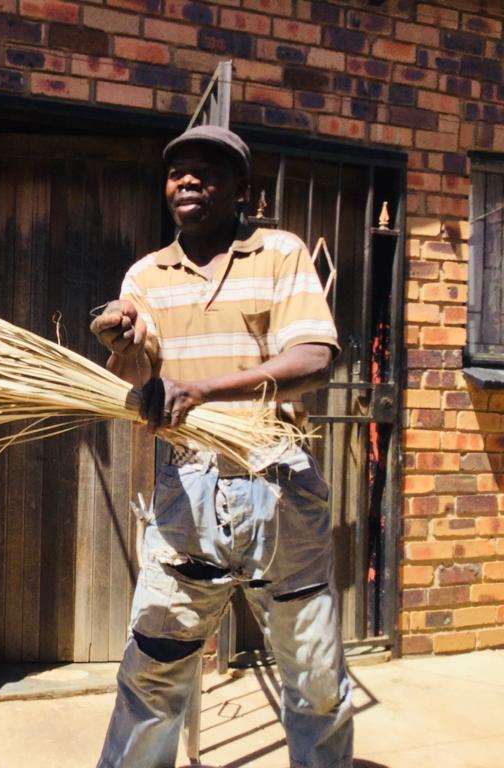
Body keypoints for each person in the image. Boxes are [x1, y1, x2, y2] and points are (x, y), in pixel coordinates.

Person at [90, 125, 352, 768]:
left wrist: (204, 390)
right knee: (152, 673)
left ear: (241, 190)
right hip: (188, 489)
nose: (189, 179)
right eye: (177, 171)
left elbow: (313, 358)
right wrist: (121, 343)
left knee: (314, 678)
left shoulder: (278, 253)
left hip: (277, 484)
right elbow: (138, 380)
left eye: (208, 170)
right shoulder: (146, 275)